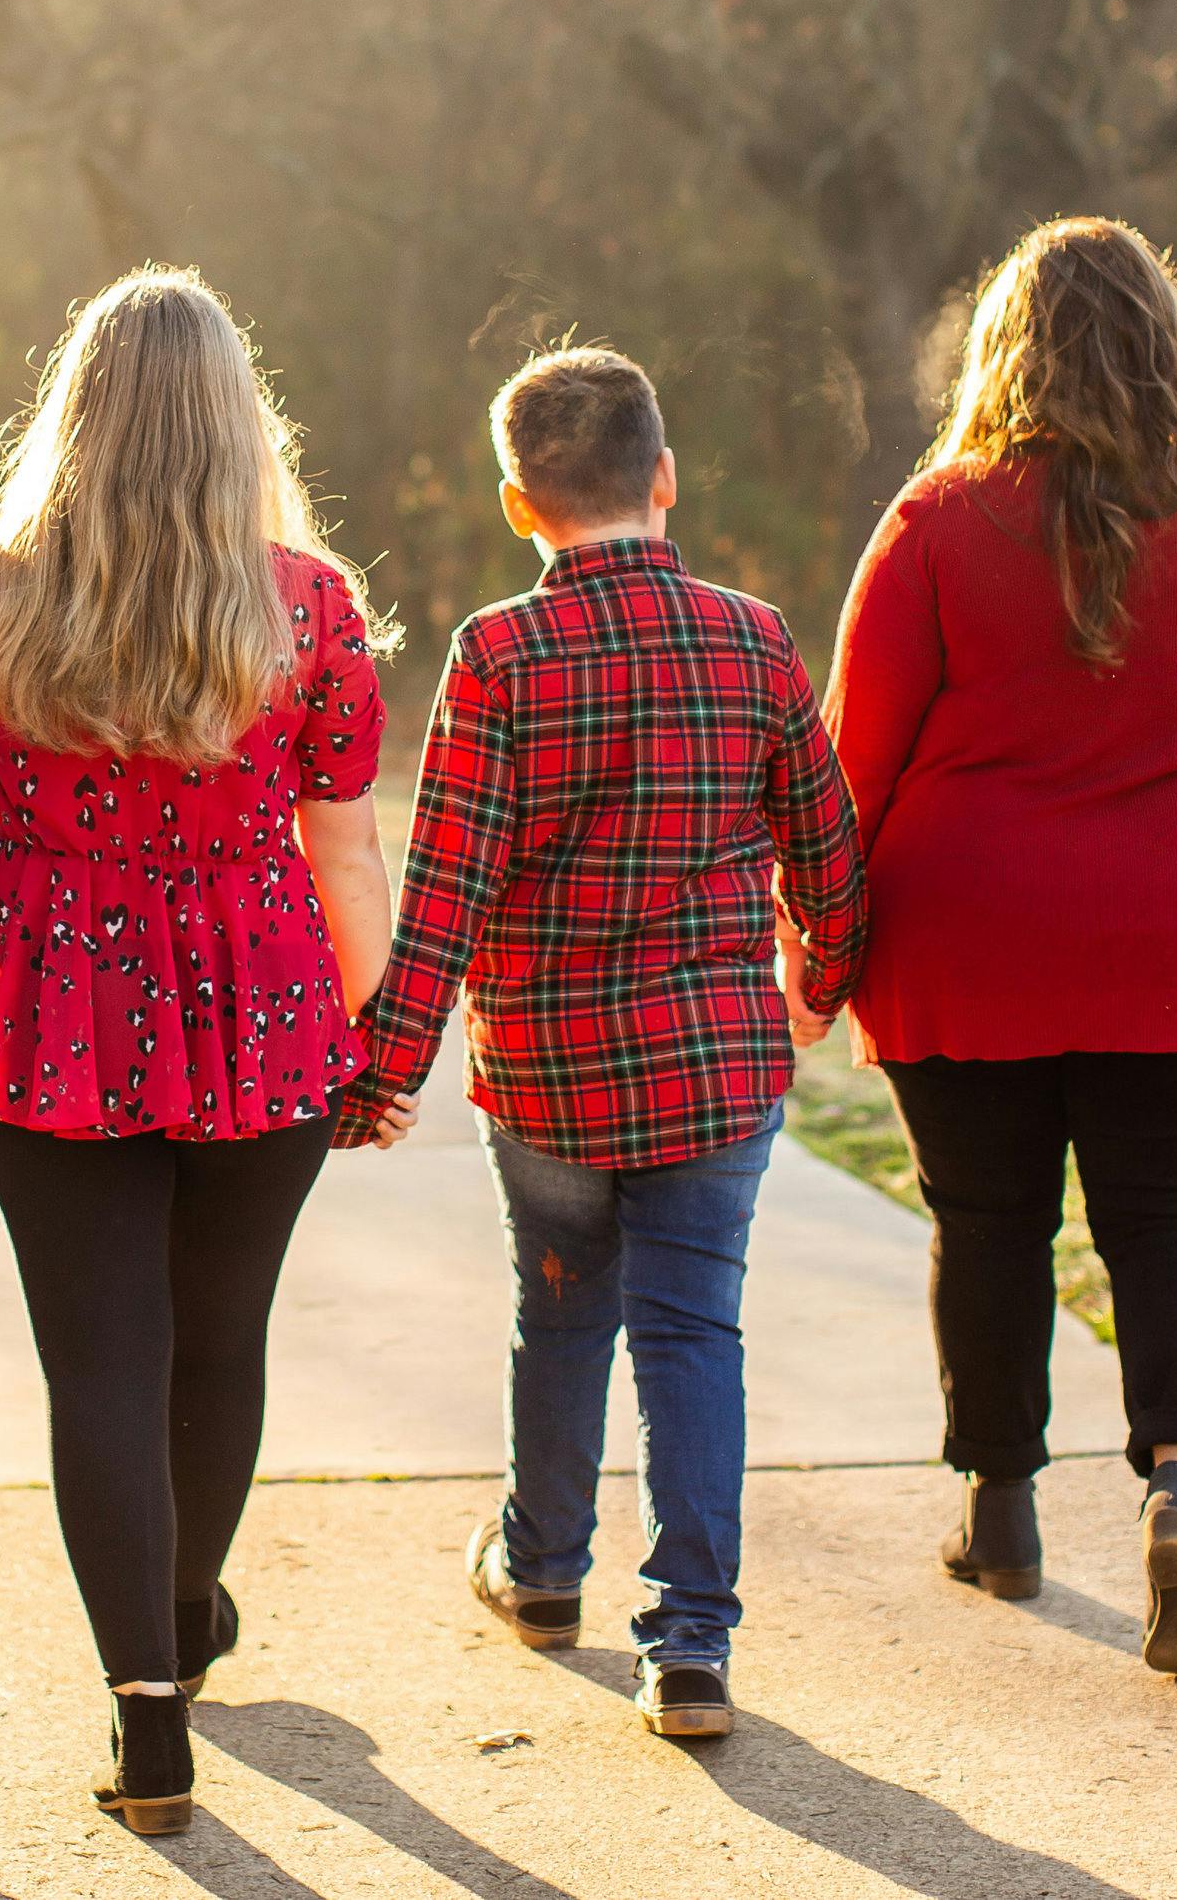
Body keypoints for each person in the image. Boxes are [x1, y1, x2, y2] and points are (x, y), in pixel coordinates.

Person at [815, 216, 1177, 1679]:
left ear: (1008, 349)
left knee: (989, 1224)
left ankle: (999, 1509)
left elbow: (853, 768)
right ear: (1172, 348)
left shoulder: (937, 523)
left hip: (969, 939)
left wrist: (824, 941)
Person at [0, 268, 397, 1837]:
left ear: (78, 414)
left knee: (97, 1361)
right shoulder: (304, 607)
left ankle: (145, 1704)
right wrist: (372, 1033)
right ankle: (182, 1615)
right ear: (236, 423)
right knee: (219, 1337)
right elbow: (345, 856)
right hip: (263, 1006)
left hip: (56, 1006)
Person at [334, 345, 867, 1743]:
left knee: (560, 1315)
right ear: (666, 477)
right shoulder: (754, 639)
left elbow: (445, 887)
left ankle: (546, 1573)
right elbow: (828, 844)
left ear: (521, 506)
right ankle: (690, 1645)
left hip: (552, 1075)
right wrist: (827, 972)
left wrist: (384, 1068)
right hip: (713, 1068)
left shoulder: (500, 657)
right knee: (693, 1333)